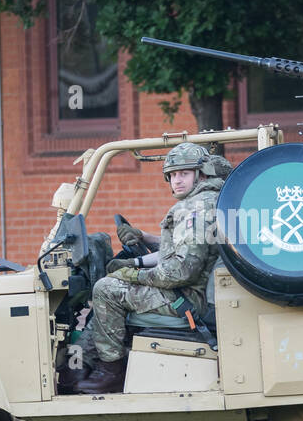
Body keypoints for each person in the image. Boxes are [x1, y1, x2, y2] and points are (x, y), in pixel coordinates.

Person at [68, 142, 227, 395]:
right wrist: (135, 259)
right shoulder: (206, 201)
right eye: (173, 175)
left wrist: (131, 274)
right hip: (191, 294)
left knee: (106, 289)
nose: (177, 181)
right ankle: (77, 368)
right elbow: (174, 251)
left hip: (188, 300)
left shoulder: (194, 208)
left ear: (202, 173)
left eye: (184, 173)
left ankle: (110, 371)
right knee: (112, 289)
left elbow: (180, 271)